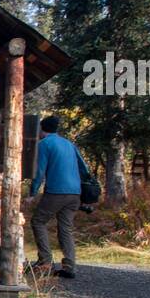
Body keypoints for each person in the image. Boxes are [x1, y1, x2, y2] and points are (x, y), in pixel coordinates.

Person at [28, 116, 89, 279]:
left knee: (38, 221)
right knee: (66, 228)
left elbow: (39, 171)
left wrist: (32, 193)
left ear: (42, 129)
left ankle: (45, 261)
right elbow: (84, 168)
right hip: (75, 193)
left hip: (56, 191)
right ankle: (69, 266)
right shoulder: (69, 144)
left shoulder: (44, 145)